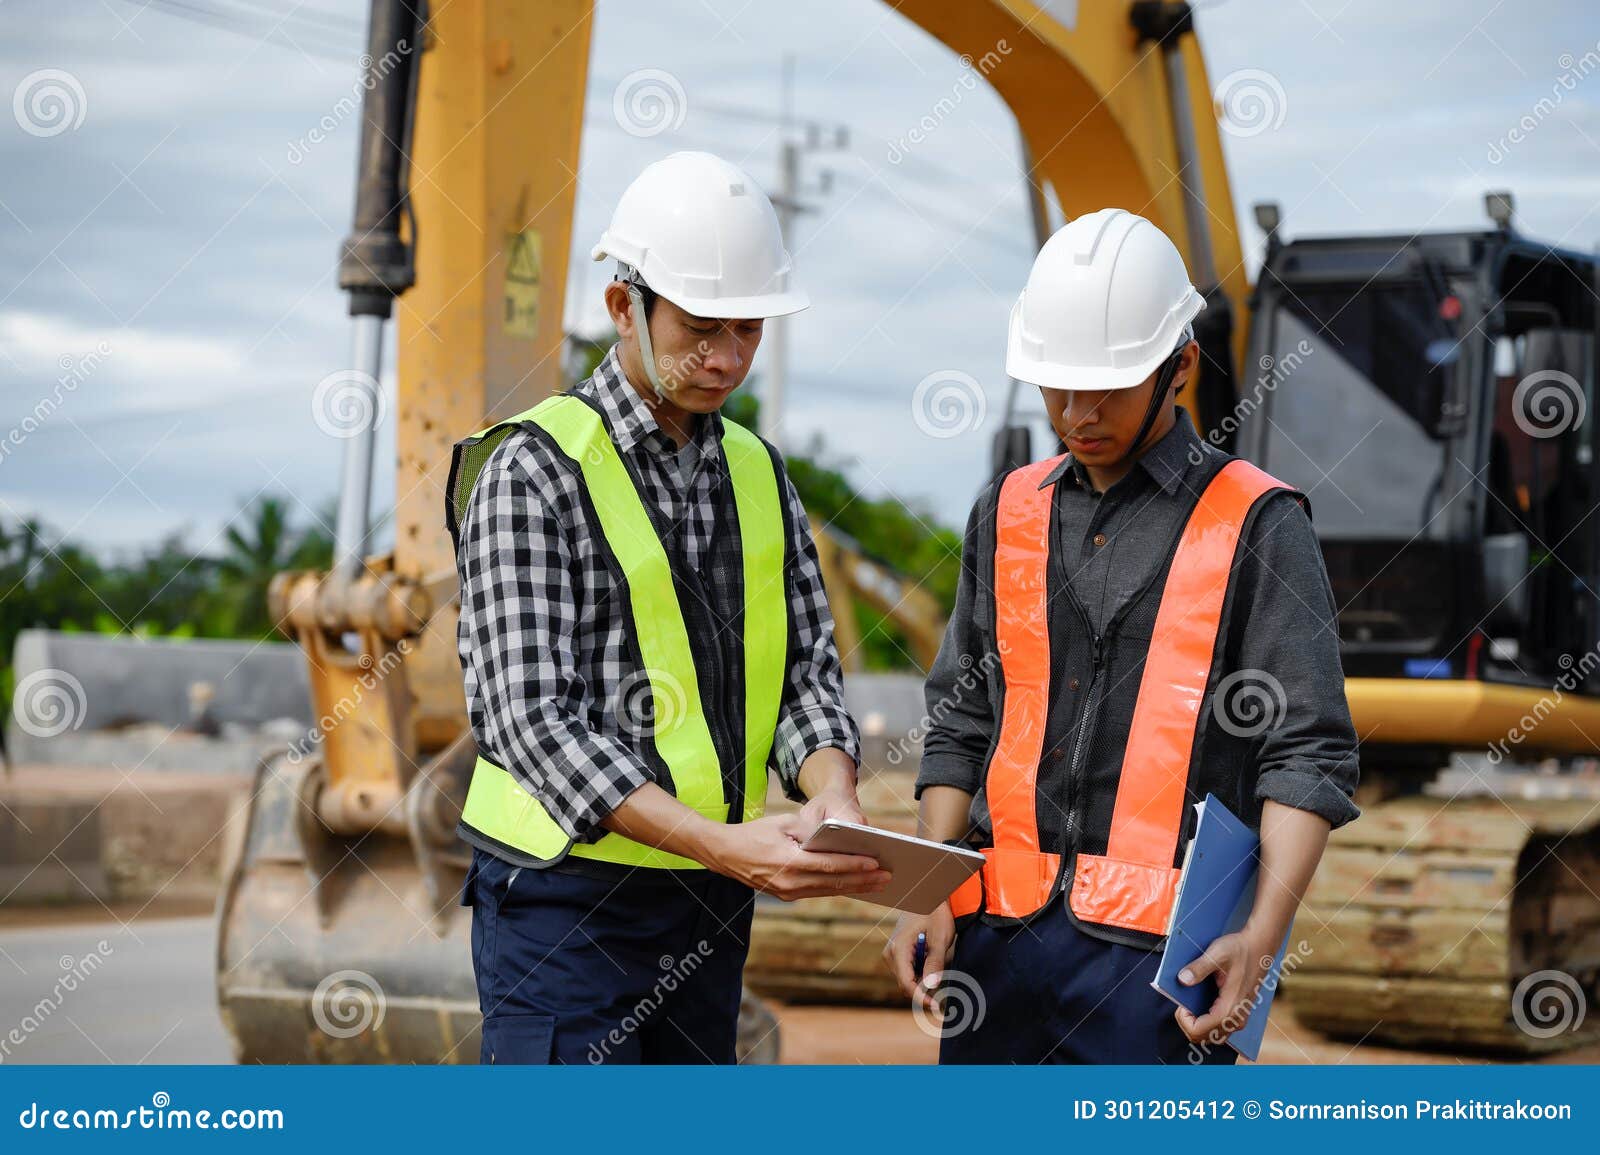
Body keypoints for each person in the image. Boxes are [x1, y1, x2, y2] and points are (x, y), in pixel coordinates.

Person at [885, 208, 1360, 1064]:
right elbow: (962, 720)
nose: (1076, 410)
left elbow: (1307, 749)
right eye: (1056, 385)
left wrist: (1262, 934)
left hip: (1161, 975)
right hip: (997, 949)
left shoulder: (1259, 521)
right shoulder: (1007, 512)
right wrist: (927, 889)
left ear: (1178, 367)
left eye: (1104, 385)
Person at [448, 151, 887, 1065]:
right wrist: (723, 844)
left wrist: (833, 793)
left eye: (749, 330)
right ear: (623, 308)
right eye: (700, 327)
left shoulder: (761, 477)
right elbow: (529, 721)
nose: (727, 357)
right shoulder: (533, 470)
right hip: (562, 909)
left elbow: (804, 673)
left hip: (705, 910)